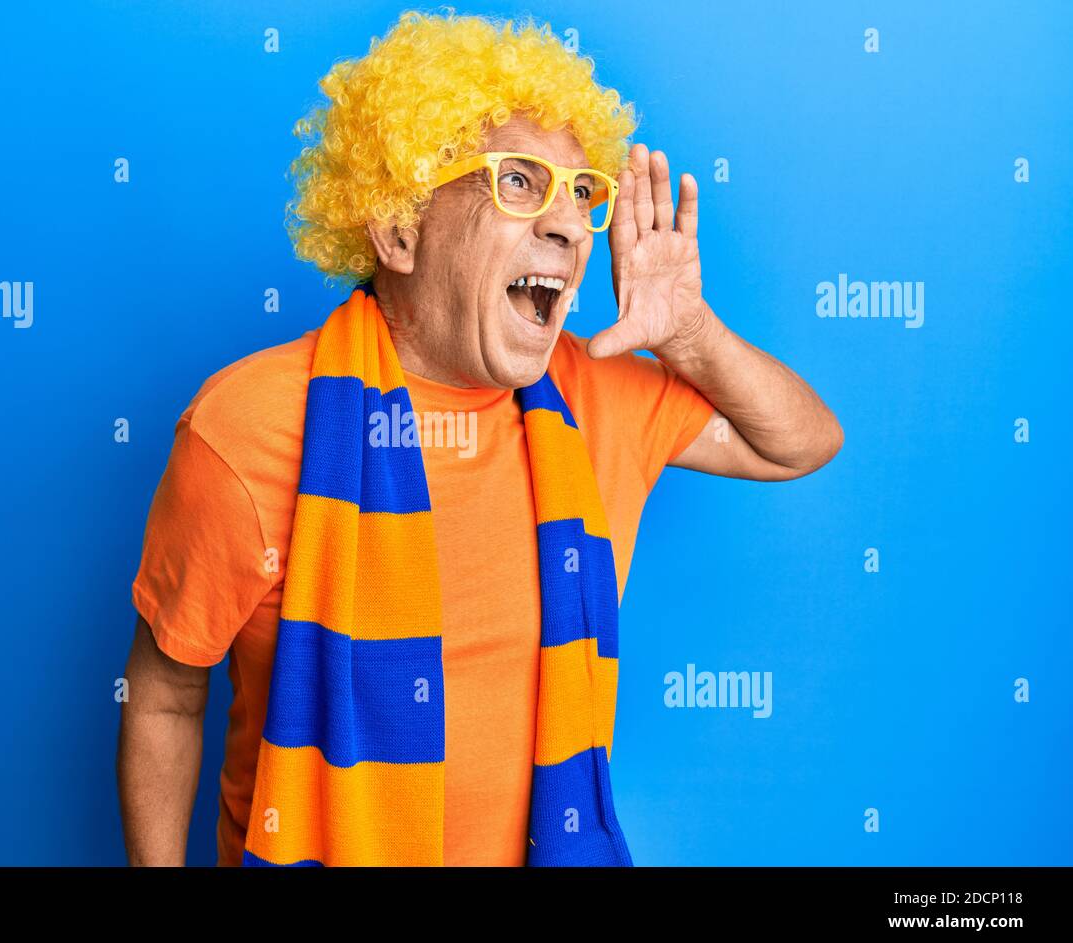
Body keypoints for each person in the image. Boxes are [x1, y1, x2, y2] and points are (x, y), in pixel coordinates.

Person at [117, 10, 842, 867]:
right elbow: (164, 696)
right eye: (520, 182)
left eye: (581, 194)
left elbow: (800, 441)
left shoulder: (591, 398)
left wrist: (687, 334)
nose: (570, 226)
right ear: (397, 228)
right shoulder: (246, 428)